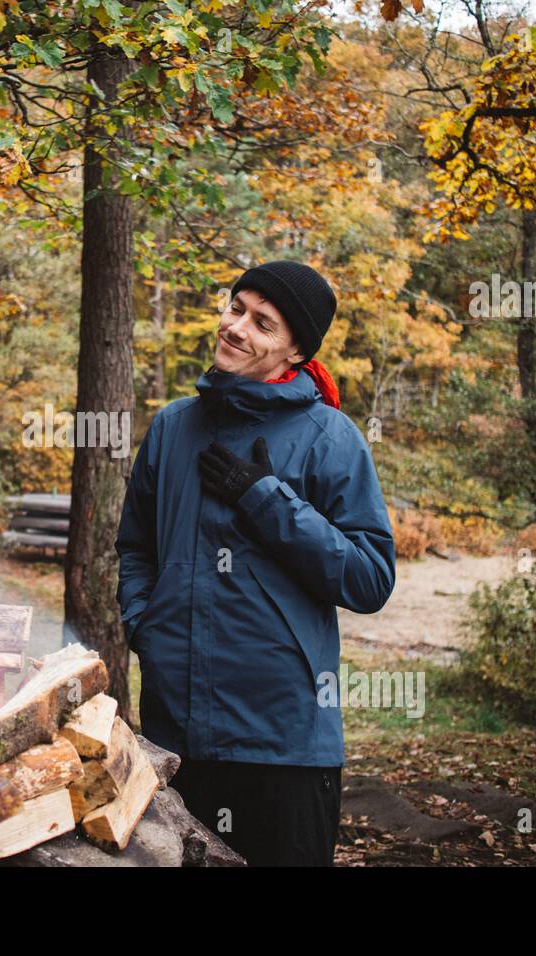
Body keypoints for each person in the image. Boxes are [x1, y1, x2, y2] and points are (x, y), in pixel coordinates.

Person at [116, 260, 396, 866]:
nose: (236, 327)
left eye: (262, 323)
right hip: (176, 738)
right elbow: (135, 547)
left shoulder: (331, 436)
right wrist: (146, 625)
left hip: (284, 746)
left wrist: (265, 498)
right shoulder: (171, 430)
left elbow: (371, 577)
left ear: (294, 351)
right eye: (235, 307)